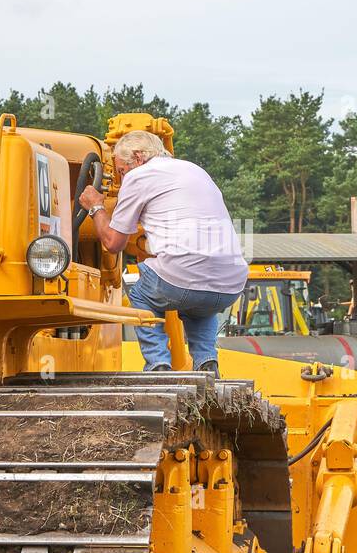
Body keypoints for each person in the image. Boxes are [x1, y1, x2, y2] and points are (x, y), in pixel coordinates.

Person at [78, 130, 248, 375]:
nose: (123, 178)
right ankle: (206, 361)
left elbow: (113, 242)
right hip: (230, 284)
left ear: (137, 157)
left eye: (122, 171)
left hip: (182, 279)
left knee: (140, 292)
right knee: (200, 304)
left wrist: (96, 207)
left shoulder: (139, 177)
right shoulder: (195, 170)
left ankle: (158, 364)